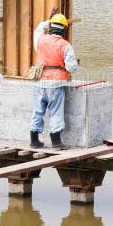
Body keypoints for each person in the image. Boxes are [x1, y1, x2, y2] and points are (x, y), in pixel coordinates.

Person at [29, 10, 79, 150]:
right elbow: (72, 67)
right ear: (64, 29)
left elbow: (39, 28)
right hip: (55, 84)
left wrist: (48, 20)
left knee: (38, 110)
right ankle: (56, 142)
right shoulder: (65, 45)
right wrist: (74, 69)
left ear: (50, 27)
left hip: (39, 82)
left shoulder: (40, 39)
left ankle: (34, 140)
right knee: (56, 111)